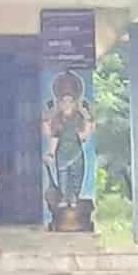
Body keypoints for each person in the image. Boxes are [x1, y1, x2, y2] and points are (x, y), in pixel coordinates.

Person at [42, 71, 96, 208]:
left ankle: (74, 198)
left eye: (70, 101)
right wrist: (51, 153)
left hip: (76, 153)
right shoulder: (58, 119)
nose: (66, 104)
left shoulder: (78, 118)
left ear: (74, 102)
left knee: (76, 178)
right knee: (63, 180)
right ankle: (65, 199)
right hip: (62, 154)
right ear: (59, 103)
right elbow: (54, 136)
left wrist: (89, 118)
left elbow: (84, 136)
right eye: (64, 101)